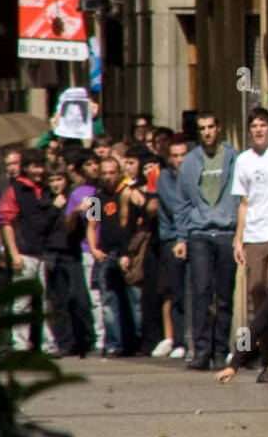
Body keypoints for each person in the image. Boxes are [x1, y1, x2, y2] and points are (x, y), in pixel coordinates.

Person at [177, 112, 241, 371]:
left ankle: (220, 350)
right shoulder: (190, 161)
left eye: (211, 127)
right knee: (201, 292)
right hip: (200, 233)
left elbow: (243, 196)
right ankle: (201, 351)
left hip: (226, 232)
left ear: (219, 128)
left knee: (224, 295)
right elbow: (182, 202)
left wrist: (241, 233)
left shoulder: (234, 158)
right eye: (202, 128)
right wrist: (182, 237)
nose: (207, 132)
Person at [232, 107, 268, 382]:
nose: (258, 129)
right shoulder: (243, 161)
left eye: (263, 125)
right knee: (257, 292)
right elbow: (243, 202)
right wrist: (239, 237)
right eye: (254, 125)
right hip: (254, 235)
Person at [87, 157, 150, 356]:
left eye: (111, 173)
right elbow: (92, 226)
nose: (107, 177)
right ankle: (114, 344)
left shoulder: (127, 192)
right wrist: (93, 248)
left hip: (128, 253)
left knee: (135, 301)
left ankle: (138, 343)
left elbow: (144, 206)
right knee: (108, 303)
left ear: (119, 173)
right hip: (106, 254)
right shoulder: (97, 198)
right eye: (104, 173)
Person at [0, 147, 58, 352]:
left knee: (46, 301)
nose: (39, 170)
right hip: (25, 252)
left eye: (41, 166)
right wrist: (13, 253)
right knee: (22, 302)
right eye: (35, 166)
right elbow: (6, 222)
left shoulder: (47, 189)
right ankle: (20, 344)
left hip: (46, 252)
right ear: (26, 168)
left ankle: (49, 344)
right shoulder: (14, 190)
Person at [43, 155, 95, 359]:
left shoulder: (77, 195)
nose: (56, 184)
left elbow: (92, 218)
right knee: (59, 302)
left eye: (59, 179)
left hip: (73, 253)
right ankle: (65, 343)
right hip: (52, 254)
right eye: (52, 180)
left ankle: (86, 340)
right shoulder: (47, 200)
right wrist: (54, 207)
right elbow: (40, 227)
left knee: (79, 299)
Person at [64, 147, 104, 351]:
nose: (94, 167)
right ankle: (101, 338)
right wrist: (76, 211)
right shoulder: (79, 194)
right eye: (88, 164)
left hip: (112, 247)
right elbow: (69, 227)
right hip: (90, 248)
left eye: (96, 162)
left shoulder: (105, 187)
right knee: (96, 297)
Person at [153, 136, 189, 359]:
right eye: (175, 156)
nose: (179, 160)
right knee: (175, 292)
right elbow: (177, 206)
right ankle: (178, 340)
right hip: (172, 240)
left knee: (196, 291)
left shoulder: (193, 175)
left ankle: (194, 339)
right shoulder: (165, 178)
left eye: (183, 155)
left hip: (192, 237)